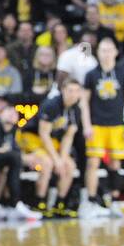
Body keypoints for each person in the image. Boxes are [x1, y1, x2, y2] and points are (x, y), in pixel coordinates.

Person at [79, 37, 124, 218]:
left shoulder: (123, 73)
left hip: (117, 125)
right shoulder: (91, 74)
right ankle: (91, 201)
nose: (106, 53)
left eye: (110, 50)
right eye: (103, 49)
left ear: (116, 53)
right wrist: (86, 125)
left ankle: (114, 201)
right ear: (97, 52)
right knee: (92, 163)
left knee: (115, 164)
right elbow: (84, 102)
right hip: (96, 125)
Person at [0, 101, 42, 221]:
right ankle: (12, 203)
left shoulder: (13, 131)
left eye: (15, 113)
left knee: (10, 165)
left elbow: (13, 151)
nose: (12, 114)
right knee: (12, 159)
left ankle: (0, 204)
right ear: (0, 114)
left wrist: (28, 159)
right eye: (9, 112)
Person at [34, 77, 83, 217]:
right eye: (70, 90)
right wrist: (56, 160)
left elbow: (68, 137)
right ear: (62, 91)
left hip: (53, 142)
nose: (73, 94)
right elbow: (43, 134)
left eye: (77, 91)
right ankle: (40, 203)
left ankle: (59, 204)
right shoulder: (51, 104)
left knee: (69, 165)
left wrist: (61, 159)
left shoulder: (75, 110)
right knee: (47, 163)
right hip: (33, 139)